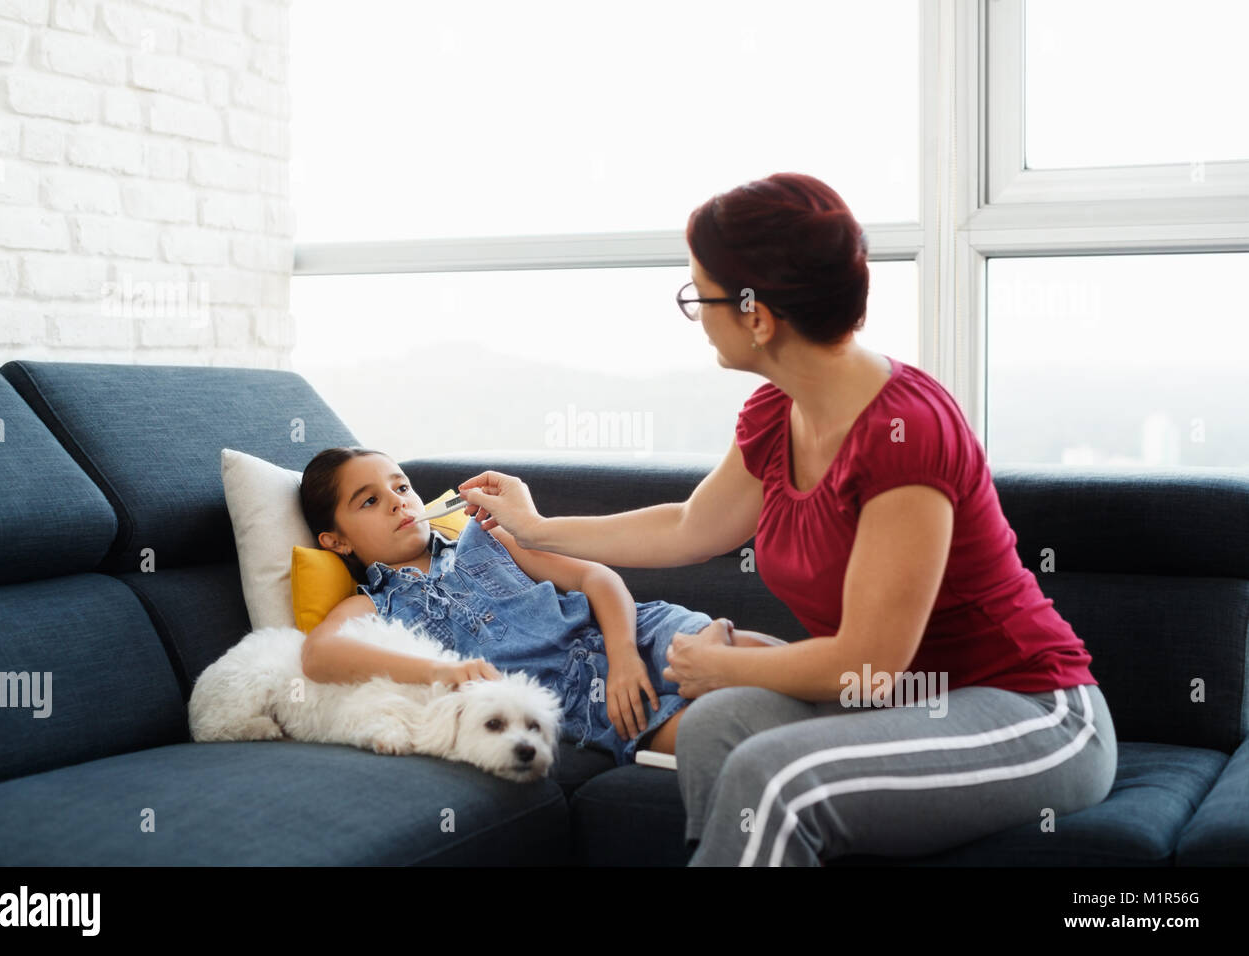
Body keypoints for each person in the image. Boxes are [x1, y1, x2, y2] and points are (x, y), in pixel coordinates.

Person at [454, 171, 1117, 866]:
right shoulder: (777, 413)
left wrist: (729, 665)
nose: (696, 314)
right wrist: (534, 527)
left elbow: (870, 662)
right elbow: (688, 527)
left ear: (757, 318)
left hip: (1033, 710)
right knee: (713, 728)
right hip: (901, 706)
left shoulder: (906, 434)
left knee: (774, 780)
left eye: (698, 296)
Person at [297, 446, 732, 767]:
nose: (398, 502)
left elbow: (596, 578)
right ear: (336, 542)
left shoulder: (486, 536)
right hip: (585, 704)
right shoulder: (375, 608)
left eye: (402, 486)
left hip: (635, 634)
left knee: (748, 662)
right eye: (370, 501)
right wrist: (439, 673)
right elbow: (318, 656)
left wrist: (623, 656)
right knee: (725, 732)